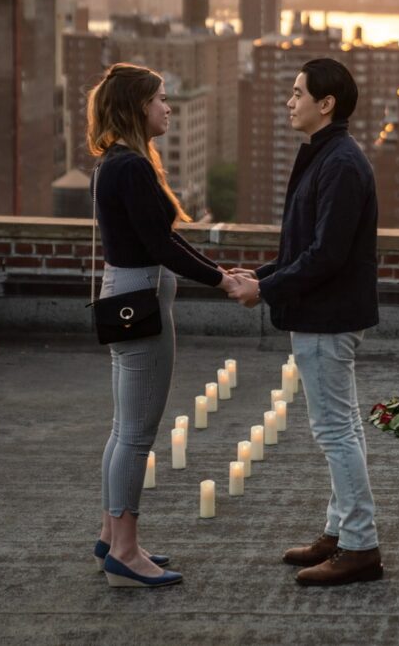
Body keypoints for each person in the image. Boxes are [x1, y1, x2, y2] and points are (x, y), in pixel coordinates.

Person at [229, 57, 383, 587]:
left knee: (335, 430)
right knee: (345, 427)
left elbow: (327, 256)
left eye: (297, 93)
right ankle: (340, 532)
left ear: (326, 104)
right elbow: (307, 248)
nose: (289, 102)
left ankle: (360, 547)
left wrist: (264, 289)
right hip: (326, 312)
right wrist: (263, 273)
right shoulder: (327, 155)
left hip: (328, 316)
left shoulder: (339, 162)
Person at [87, 62, 238, 588]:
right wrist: (221, 281)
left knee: (121, 430)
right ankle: (125, 555)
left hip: (126, 294)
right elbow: (162, 246)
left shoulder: (113, 163)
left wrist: (219, 273)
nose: (167, 107)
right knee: (135, 435)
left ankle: (113, 537)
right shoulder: (130, 167)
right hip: (141, 299)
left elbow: (161, 239)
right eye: (159, 100)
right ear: (137, 108)